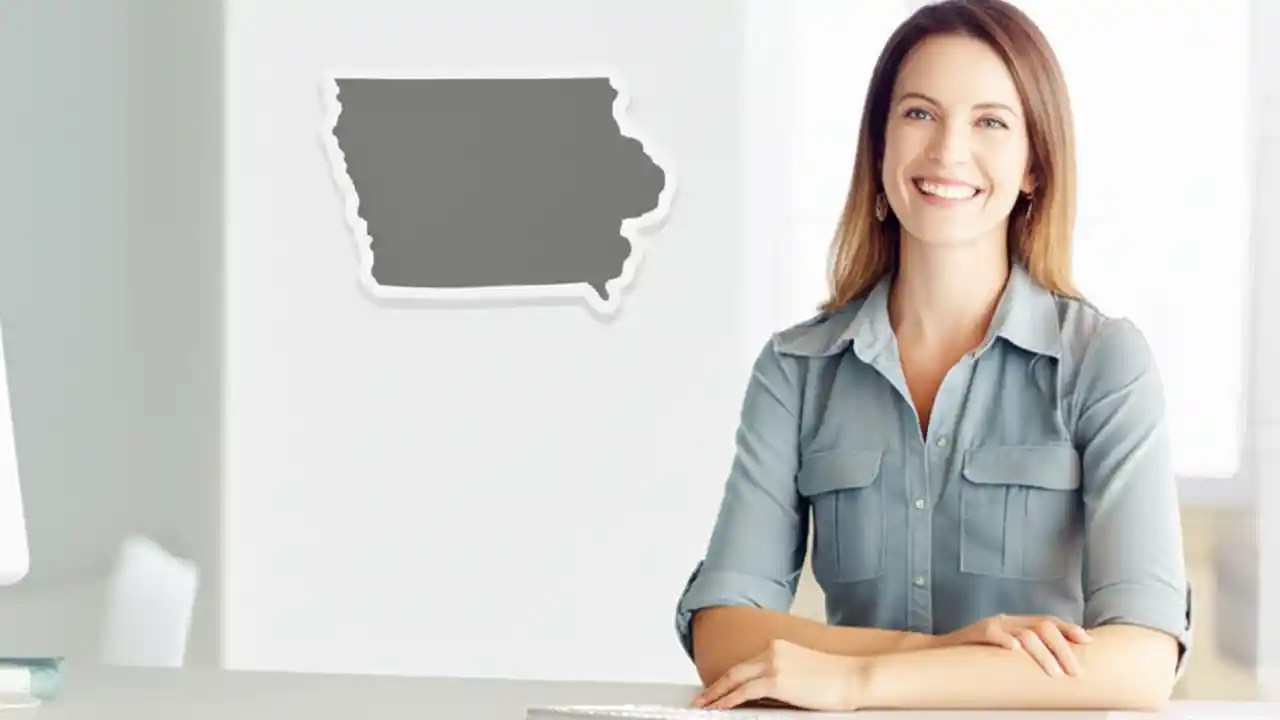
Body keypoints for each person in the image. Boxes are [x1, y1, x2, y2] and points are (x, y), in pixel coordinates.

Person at [674, 0, 1193, 712]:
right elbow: (724, 635)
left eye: (990, 122)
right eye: (919, 114)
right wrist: (949, 652)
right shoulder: (796, 372)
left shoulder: (1103, 363)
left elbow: (1140, 662)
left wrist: (860, 679)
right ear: (880, 145)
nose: (948, 151)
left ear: (1034, 165)